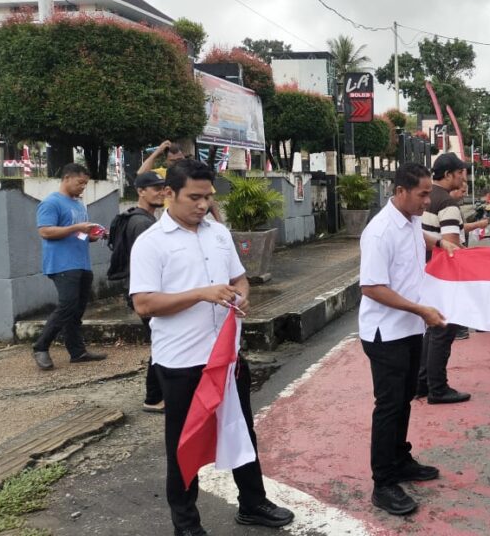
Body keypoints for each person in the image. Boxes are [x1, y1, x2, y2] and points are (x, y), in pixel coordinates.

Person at [129, 160, 294, 535]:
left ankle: (252, 502)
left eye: (208, 197)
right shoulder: (151, 243)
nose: (203, 205)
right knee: (183, 443)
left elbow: (239, 278)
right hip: (182, 361)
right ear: (169, 193)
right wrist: (200, 294)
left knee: (240, 429)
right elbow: (144, 304)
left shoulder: (218, 233)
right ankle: (186, 524)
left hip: (227, 356)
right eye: (194, 197)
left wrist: (242, 295)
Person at [358, 162, 458, 516]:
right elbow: (371, 287)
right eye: (423, 194)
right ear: (400, 191)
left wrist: (440, 241)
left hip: (410, 328)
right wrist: (420, 309)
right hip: (386, 334)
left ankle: (400, 459)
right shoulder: (380, 231)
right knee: (389, 406)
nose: (427, 201)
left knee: (404, 401)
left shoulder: (411, 218)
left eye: (429, 193)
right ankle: (383, 483)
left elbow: (419, 237)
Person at [32, 163, 108, 370]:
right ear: (67, 178)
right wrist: (77, 227)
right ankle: (40, 346)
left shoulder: (79, 205)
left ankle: (77, 352)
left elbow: (78, 234)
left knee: (76, 309)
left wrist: (94, 236)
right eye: (80, 182)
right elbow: (45, 232)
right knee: (67, 306)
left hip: (82, 263)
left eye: (85, 184)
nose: (83, 187)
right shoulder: (51, 203)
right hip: (62, 264)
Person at [106, 170, 167, 412]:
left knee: (161, 341)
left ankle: (157, 395)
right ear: (141, 191)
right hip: (146, 292)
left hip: (141, 290)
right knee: (163, 343)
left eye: (163, 188)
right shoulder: (142, 224)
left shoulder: (137, 218)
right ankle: (153, 398)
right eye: (156, 189)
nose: (161, 193)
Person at [418, 153, 470, 404]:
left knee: (432, 329)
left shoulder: (428, 199)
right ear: (448, 175)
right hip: (445, 276)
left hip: (428, 272)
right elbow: (452, 245)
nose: (462, 179)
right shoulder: (447, 203)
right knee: (443, 330)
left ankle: (422, 382)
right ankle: (437, 388)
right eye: (460, 174)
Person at [138, 140, 222, 222]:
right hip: (169, 220)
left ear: (183, 157)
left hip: (192, 218)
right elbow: (141, 174)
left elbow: (210, 201)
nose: (176, 163)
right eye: (172, 161)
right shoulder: (161, 174)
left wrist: (220, 223)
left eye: (179, 159)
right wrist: (157, 152)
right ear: (166, 160)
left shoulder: (195, 175)